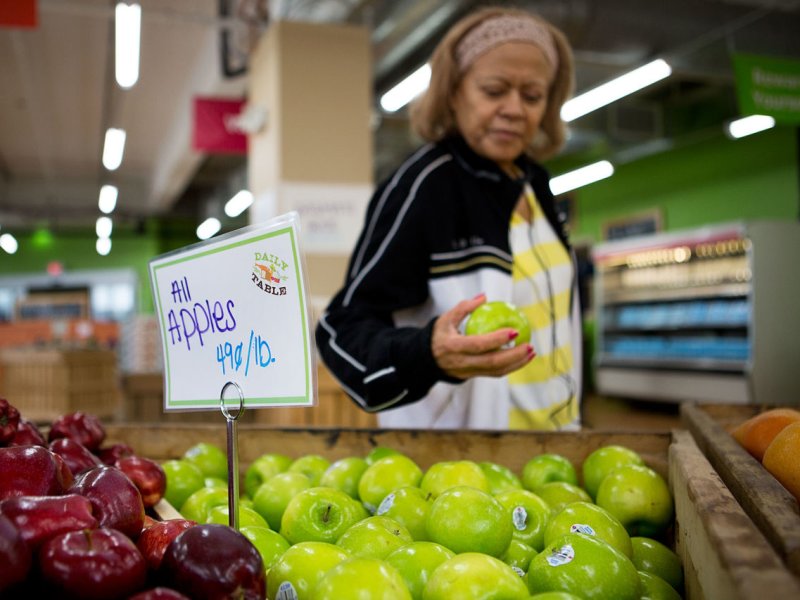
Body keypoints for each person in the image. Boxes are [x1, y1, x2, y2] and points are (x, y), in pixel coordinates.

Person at [315, 6, 581, 430]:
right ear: (454, 91)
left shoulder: (537, 184)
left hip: (552, 448)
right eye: (494, 90)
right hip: (456, 464)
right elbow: (341, 327)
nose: (515, 109)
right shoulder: (426, 184)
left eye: (533, 96)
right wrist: (427, 353)